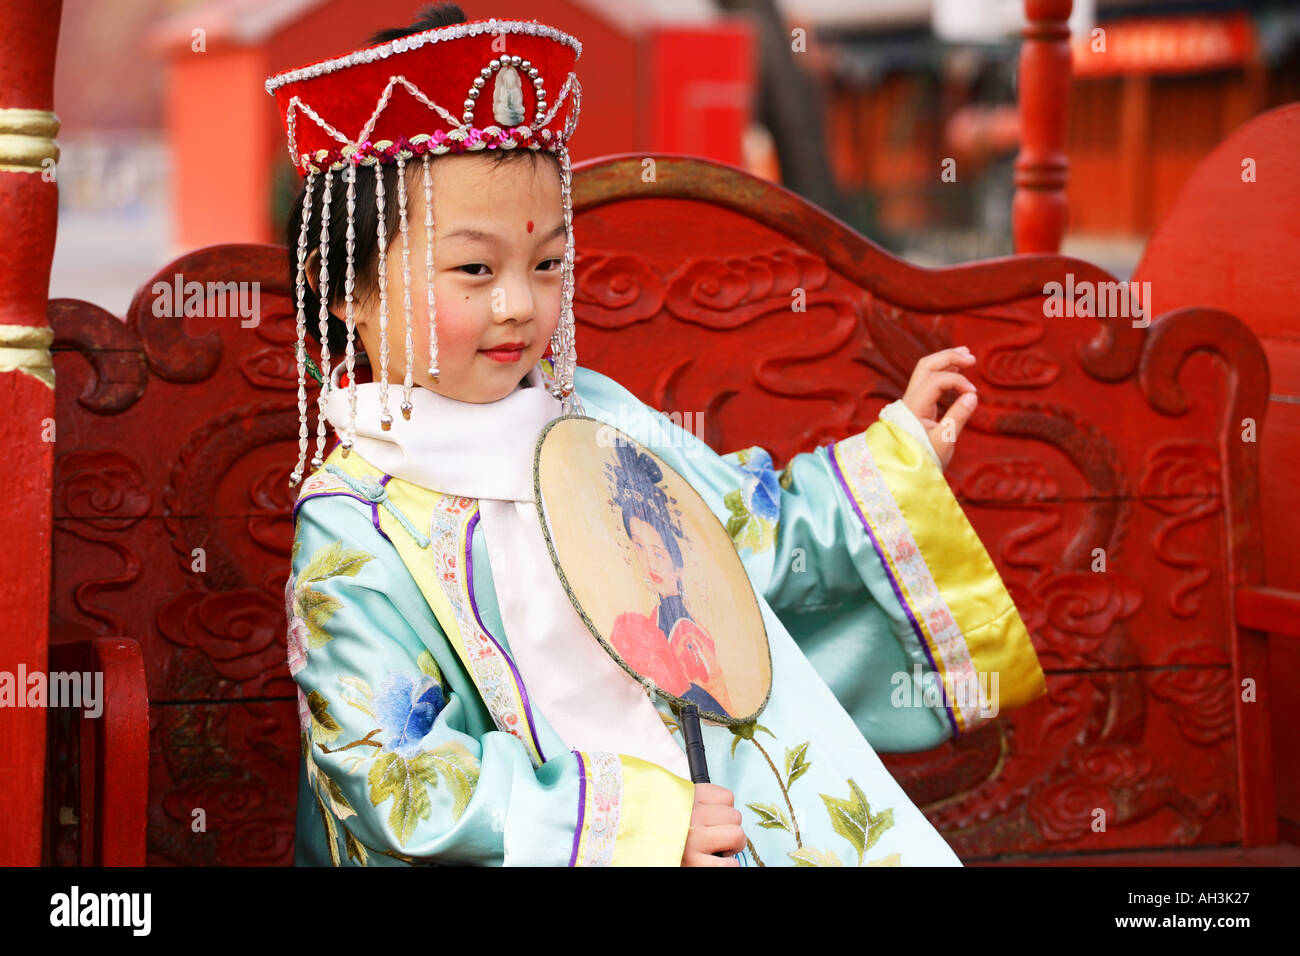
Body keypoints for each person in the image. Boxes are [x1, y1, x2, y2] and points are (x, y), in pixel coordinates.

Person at [274, 3, 1046, 867]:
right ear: (340, 283)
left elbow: (741, 542)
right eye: (474, 269)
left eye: (548, 263)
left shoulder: (592, 421)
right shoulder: (356, 521)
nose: (519, 305)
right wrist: (638, 823)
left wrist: (896, 456)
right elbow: (390, 775)